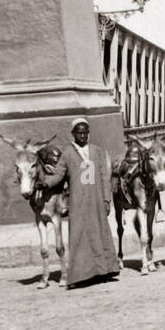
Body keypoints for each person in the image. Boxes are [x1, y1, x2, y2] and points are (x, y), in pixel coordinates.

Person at [41, 118, 119, 287]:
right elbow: (59, 175)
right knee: (79, 237)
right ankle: (82, 275)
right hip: (78, 203)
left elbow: (104, 177)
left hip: (97, 201)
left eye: (86, 132)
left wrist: (107, 199)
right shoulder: (68, 154)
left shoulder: (96, 151)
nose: (83, 135)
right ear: (73, 134)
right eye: (79, 132)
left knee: (100, 234)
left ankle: (104, 270)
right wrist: (46, 183)